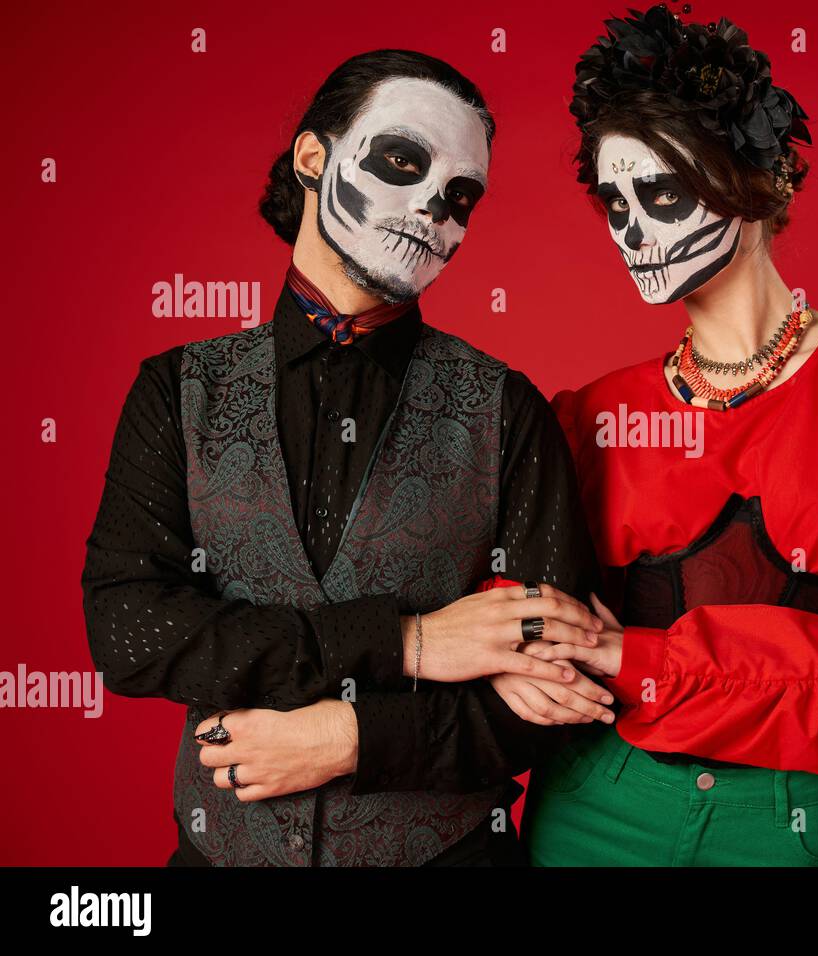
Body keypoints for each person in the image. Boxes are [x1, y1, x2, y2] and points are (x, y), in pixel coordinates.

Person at [81, 49, 608, 867]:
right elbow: (127, 629)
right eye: (404, 161)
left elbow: (556, 686)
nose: (435, 204)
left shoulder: (508, 410)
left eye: (462, 195)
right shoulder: (178, 391)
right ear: (313, 159)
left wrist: (350, 736)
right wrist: (410, 644)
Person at [515, 6, 818, 866]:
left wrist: (635, 658)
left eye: (660, 192)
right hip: (594, 803)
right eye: (613, 203)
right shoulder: (588, 414)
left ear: (748, 179)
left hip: (781, 819)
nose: (632, 231)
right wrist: (521, 652)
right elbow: (510, 602)